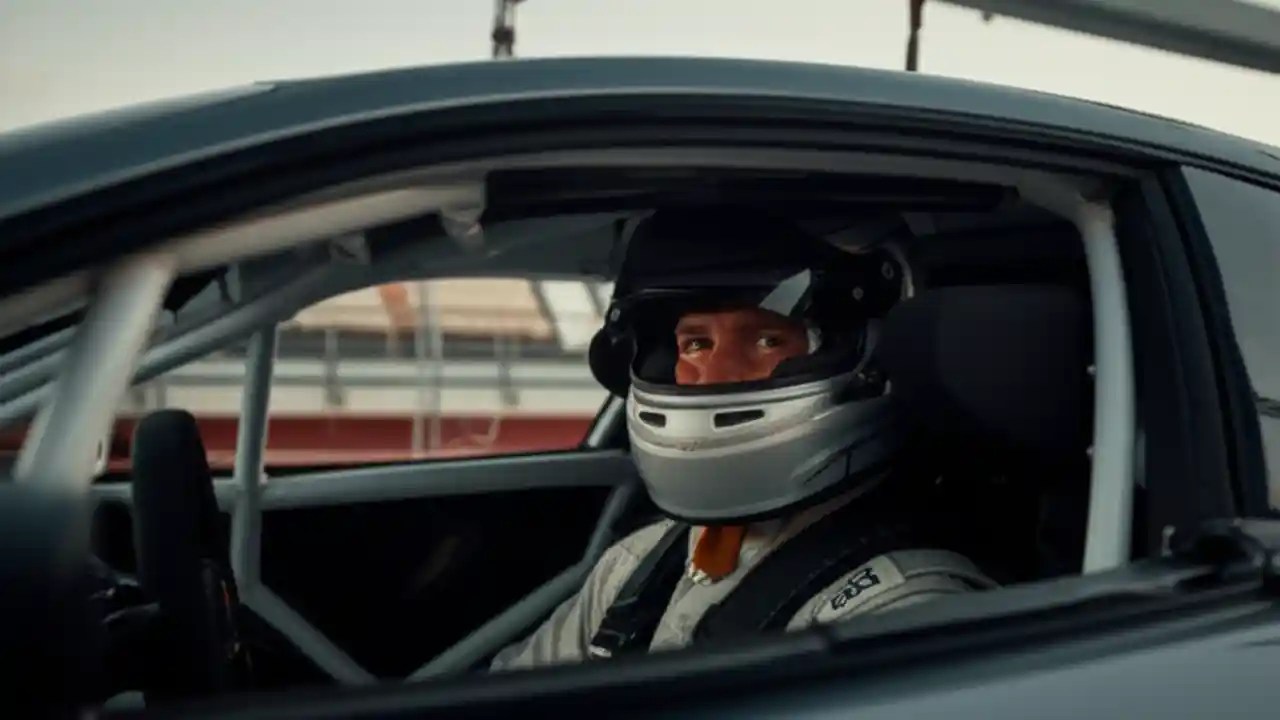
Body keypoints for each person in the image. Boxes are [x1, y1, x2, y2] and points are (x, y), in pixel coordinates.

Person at [491, 206, 994, 671]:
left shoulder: (901, 612)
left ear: (869, 362)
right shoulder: (636, 564)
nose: (714, 377)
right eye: (696, 344)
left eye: (766, 340)